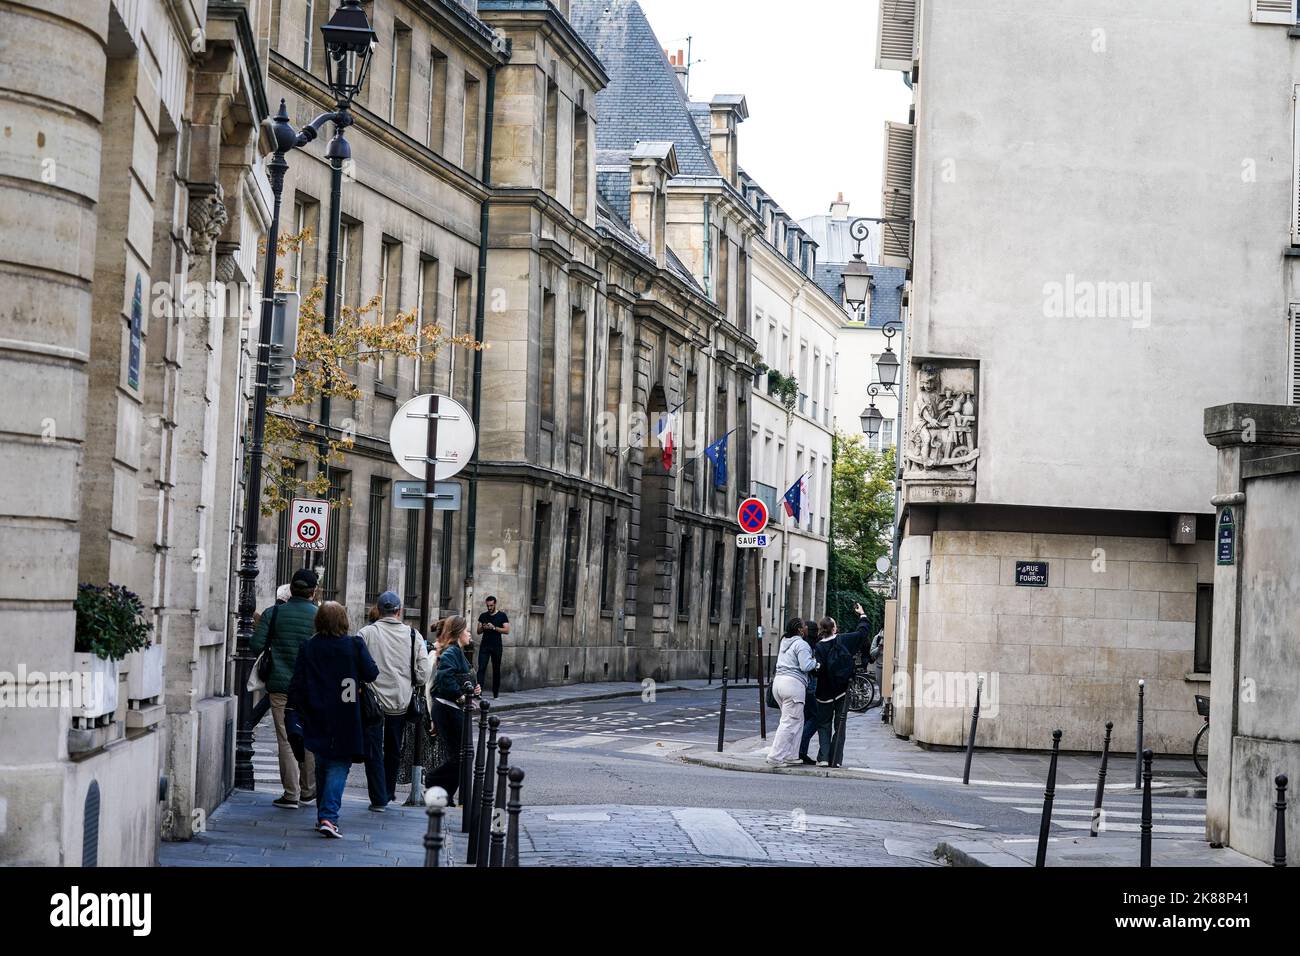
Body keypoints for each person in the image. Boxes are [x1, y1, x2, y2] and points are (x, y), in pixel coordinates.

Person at [287, 601, 379, 838]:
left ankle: (324, 815)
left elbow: (297, 684)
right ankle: (328, 816)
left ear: (318, 621)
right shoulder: (354, 645)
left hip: (316, 712)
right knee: (339, 765)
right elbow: (371, 673)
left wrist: (294, 710)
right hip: (346, 714)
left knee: (323, 761)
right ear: (344, 621)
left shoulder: (308, 647)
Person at [249, 567, 320, 809]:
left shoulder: (274, 613)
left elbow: (255, 645)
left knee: (285, 739)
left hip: (280, 686)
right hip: (310, 688)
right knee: (309, 736)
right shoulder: (320, 616)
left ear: (291, 589)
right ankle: (309, 791)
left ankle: (291, 793)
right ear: (314, 591)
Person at [358, 591, 431, 812]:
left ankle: (378, 796)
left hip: (372, 703)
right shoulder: (413, 635)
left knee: (373, 749)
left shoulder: (365, 633)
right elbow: (423, 673)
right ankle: (388, 792)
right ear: (399, 612)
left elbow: (357, 665)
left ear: (379, 611)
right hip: (400, 703)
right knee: (393, 749)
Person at [812, 602, 873, 767]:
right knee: (840, 724)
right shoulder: (844, 640)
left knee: (823, 724)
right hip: (842, 689)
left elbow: (815, 669)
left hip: (823, 692)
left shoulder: (818, 647)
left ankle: (823, 757)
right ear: (834, 629)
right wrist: (862, 614)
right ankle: (836, 760)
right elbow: (863, 632)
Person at [426, 617, 479, 805]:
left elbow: (461, 677)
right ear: (458, 633)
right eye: (466, 630)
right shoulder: (451, 652)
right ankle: (433, 780)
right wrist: (461, 696)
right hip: (447, 709)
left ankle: (445, 794)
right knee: (462, 755)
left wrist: (474, 688)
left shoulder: (458, 652)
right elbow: (444, 678)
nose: (469, 633)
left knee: (462, 755)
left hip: (452, 708)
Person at [766, 618, 818, 766]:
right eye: (804, 626)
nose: (806, 627)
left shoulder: (784, 642)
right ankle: (775, 757)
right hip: (793, 685)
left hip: (779, 683)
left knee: (798, 721)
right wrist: (817, 663)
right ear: (800, 630)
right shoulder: (801, 644)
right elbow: (806, 666)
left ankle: (791, 755)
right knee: (789, 723)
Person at [797, 618, 822, 765]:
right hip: (810, 688)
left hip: (805, 687)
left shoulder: (806, 644)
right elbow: (809, 666)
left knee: (807, 719)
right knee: (815, 719)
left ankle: (802, 751)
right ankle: (800, 747)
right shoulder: (811, 647)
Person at [475, 595, 509, 699]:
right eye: (487, 605)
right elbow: (478, 631)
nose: (489, 607)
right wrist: (483, 627)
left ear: (495, 604)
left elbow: (507, 630)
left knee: (496, 669)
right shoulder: (483, 615)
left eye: (491, 605)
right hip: (484, 645)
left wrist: (494, 627)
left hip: (497, 646)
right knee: (481, 668)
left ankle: (495, 693)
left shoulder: (502, 615)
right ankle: (479, 693)